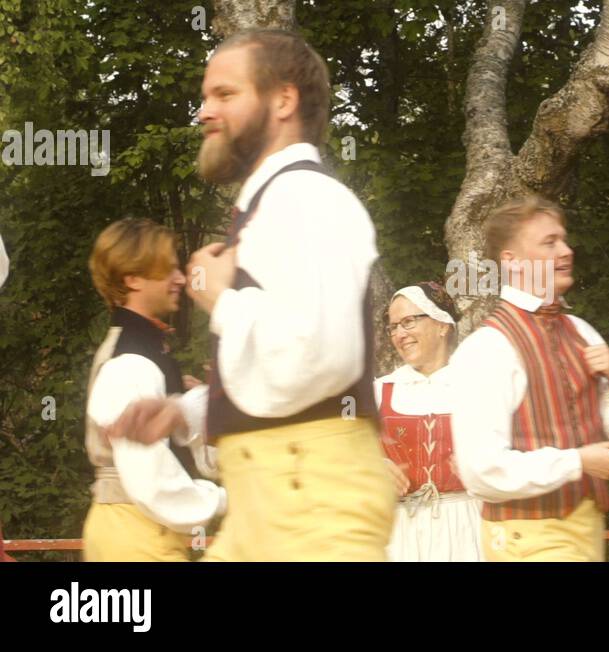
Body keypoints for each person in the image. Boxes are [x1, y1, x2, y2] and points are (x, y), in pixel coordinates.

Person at [108, 29, 395, 561]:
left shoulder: (306, 197)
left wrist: (223, 300)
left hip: (311, 511)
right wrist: (189, 412)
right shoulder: (272, 204)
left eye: (224, 94)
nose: (202, 112)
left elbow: (324, 356)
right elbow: (283, 364)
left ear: (283, 99)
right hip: (273, 504)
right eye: (204, 96)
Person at [450, 196, 609, 562]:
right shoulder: (488, 348)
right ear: (510, 261)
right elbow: (480, 470)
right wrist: (576, 462)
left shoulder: (582, 332)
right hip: (526, 537)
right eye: (549, 242)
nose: (567, 250)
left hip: (587, 530)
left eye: (564, 239)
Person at [83, 218, 225, 561]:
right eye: (168, 270)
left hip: (133, 530)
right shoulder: (131, 361)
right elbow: (150, 479)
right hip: (138, 536)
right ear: (132, 278)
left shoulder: (139, 349)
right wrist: (224, 499)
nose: (180, 279)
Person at [377, 282, 482, 561]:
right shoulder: (377, 391)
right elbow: (336, 445)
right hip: (399, 532)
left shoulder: (479, 386)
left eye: (408, 322)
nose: (400, 334)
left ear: (442, 324)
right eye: (394, 326)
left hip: (466, 525)